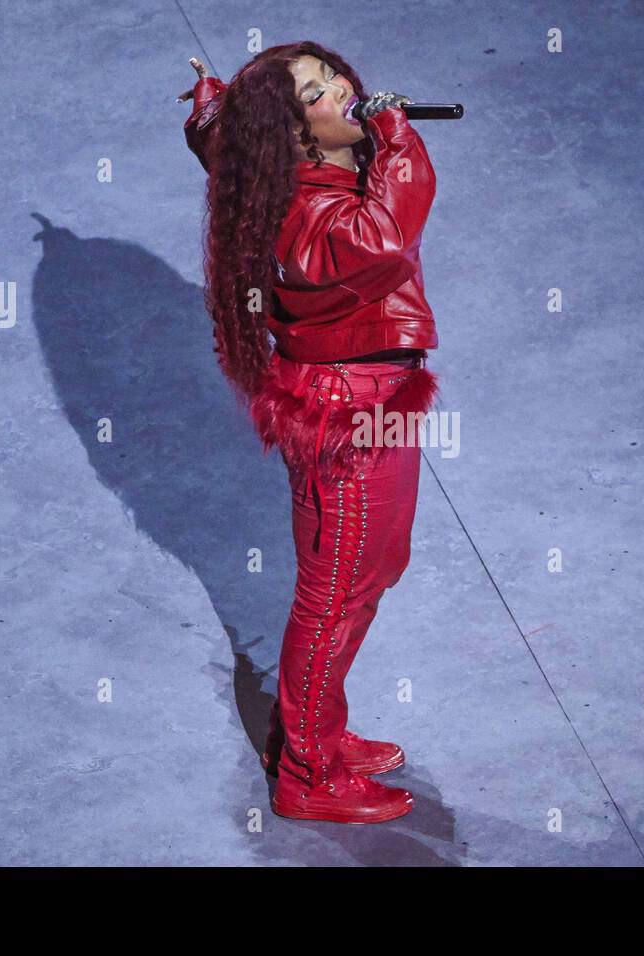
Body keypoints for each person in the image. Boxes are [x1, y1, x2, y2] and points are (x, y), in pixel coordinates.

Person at [180, 42, 441, 824]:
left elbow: (224, 143)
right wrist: (399, 138)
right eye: (319, 96)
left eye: (338, 79)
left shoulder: (277, 166)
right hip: (348, 407)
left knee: (378, 566)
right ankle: (307, 773)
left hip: (381, 390)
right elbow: (382, 236)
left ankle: (313, 728)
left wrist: (215, 110)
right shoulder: (306, 210)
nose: (349, 94)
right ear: (291, 139)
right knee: (335, 595)